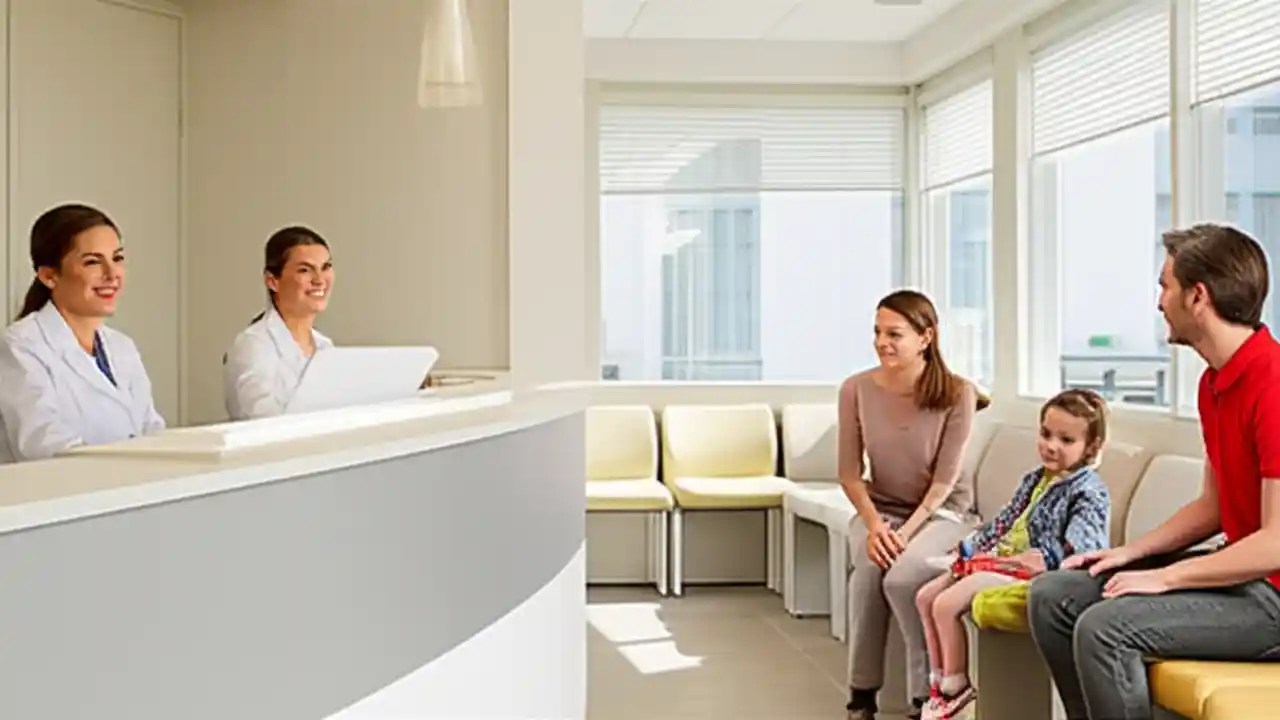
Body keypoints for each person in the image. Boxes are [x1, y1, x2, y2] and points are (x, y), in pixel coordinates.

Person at [1028, 223, 1280, 720]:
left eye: (1165, 286)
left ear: (1198, 296)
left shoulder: (1272, 383)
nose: (1159, 301)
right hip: (1243, 575)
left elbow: (1276, 542)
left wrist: (1167, 578)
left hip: (1273, 599)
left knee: (1106, 628)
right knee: (1054, 595)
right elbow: (1213, 506)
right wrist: (1129, 554)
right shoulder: (1213, 384)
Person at [914, 389, 1111, 720]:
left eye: (1066, 440)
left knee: (946, 604)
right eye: (1046, 434)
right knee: (925, 596)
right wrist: (969, 547)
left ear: (1091, 447)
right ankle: (938, 682)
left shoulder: (1088, 490)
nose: (1051, 445)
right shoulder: (1036, 479)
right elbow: (1005, 520)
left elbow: (1086, 546)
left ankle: (956, 688)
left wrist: (1046, 557)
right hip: (1002, 560)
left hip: (1037, 574)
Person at [841, 289, 981, 720]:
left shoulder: (959, 393)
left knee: (901, 579)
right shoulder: (856, 389)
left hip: (942, 513)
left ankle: (927, 696)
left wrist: (903, 535)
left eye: (894, 334)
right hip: (880, 509)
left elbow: (944, 484)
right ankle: (861, 696)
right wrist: (876, 526)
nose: (883, 342)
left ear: (926, 337)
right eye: (878, 332)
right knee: (868, 574)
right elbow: (849, 474)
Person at [0, 203, 165, 463]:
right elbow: (42, 444)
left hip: (129, 491)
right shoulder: (22, 345)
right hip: (59, 498)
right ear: (49, 275)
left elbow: (152, 430)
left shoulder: (122, 347)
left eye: (117, 258)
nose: (112, 274)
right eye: (92, 262)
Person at [223, 226, 335, 420]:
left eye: (325, 267)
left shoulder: (325, 346)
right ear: (272, 280)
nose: (319, 280)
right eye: (305, 270)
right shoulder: (253, 345)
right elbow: (262, 420)